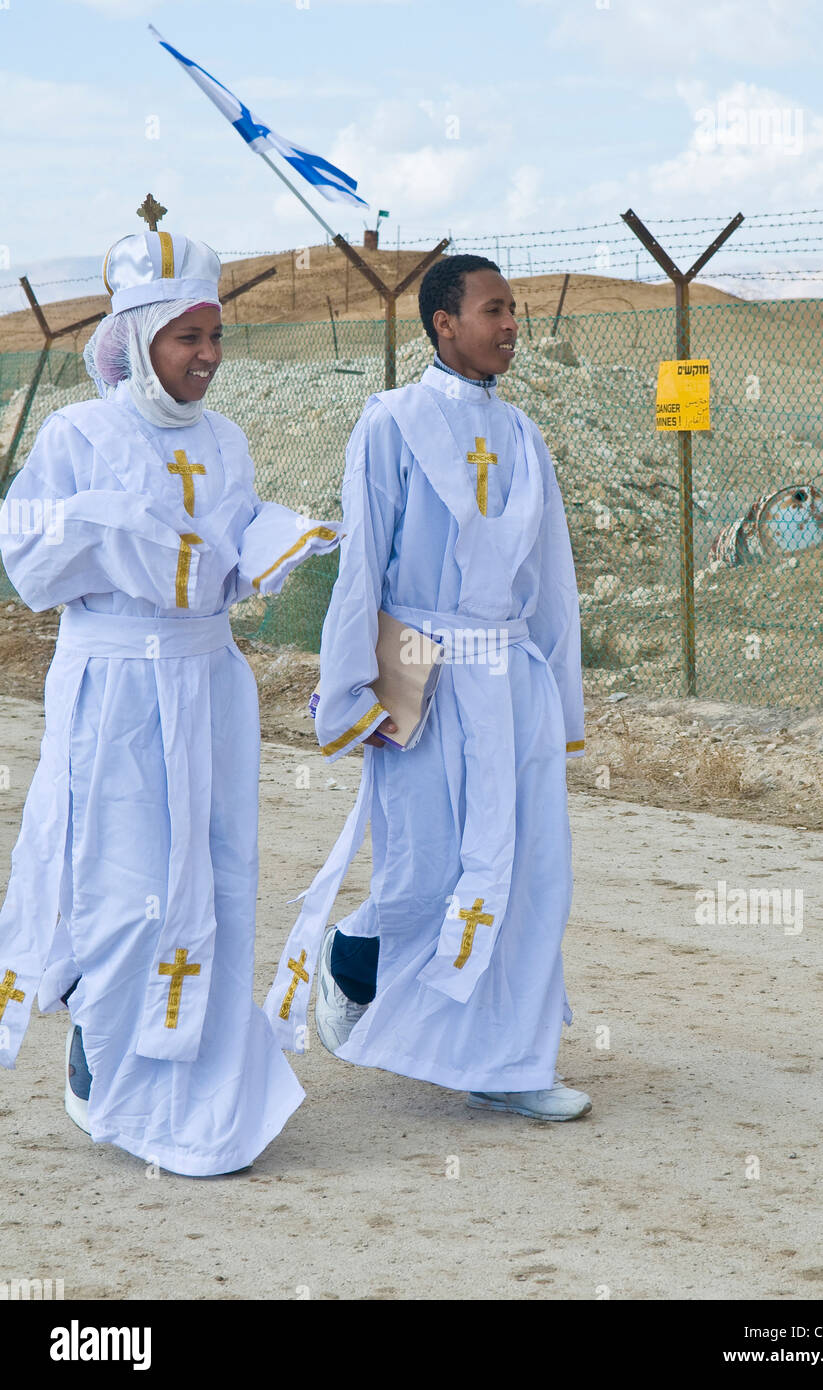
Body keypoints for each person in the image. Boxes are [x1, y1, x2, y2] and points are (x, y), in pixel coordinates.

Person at [0, 227, 341, 1175]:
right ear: (141, 336)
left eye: (216, 338)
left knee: (215, 873)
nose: (207, 359)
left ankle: (201, 1075)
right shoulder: (80, 435)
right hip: (116, 687)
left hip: (207, 681)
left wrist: (282, 535)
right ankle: (107, 1070)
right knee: (125, 882)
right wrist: (110, 525)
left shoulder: (224, 439)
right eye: (188, 338)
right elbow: (25, 557)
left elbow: (229, 546)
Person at [266, 254, 590, 1121]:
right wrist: (354, 687)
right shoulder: (392, 423)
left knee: (528, 872)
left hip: (512, 681)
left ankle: (507, 1060)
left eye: (515, 308)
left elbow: (551, 576)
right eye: (494, 310)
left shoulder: (523, 435)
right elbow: (364, 561)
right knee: (424, 872)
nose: (512, 324)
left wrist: (560, 697)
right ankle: (352, 959)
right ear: (444, 323)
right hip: (426, 676)